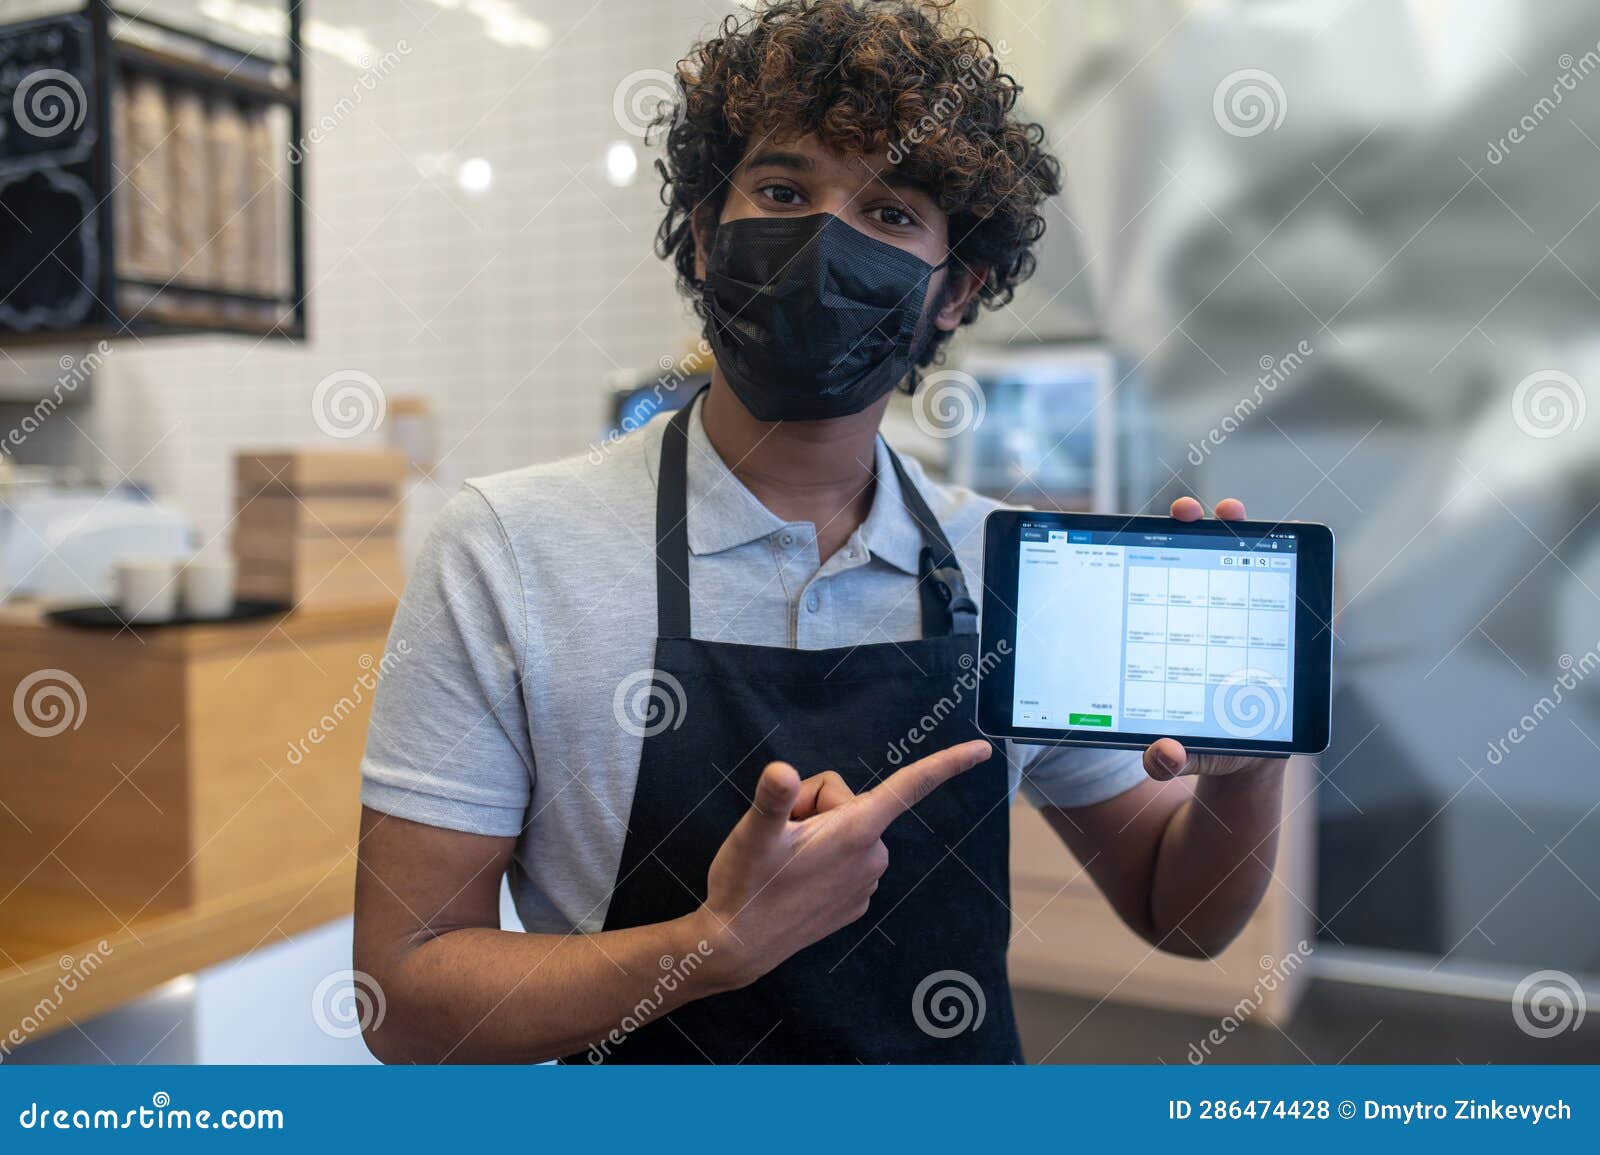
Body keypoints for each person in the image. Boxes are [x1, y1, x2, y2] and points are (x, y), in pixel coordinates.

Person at [353, 0, 1284, 1064]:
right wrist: (710, 947)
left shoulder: (1008, 565)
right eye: (785, 191)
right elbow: (406, 995)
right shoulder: (508, 551)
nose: (824, 244)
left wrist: (1246, 765)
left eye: (889, 213)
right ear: (706, 234)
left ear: (953, 290)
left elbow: (1182, 912)